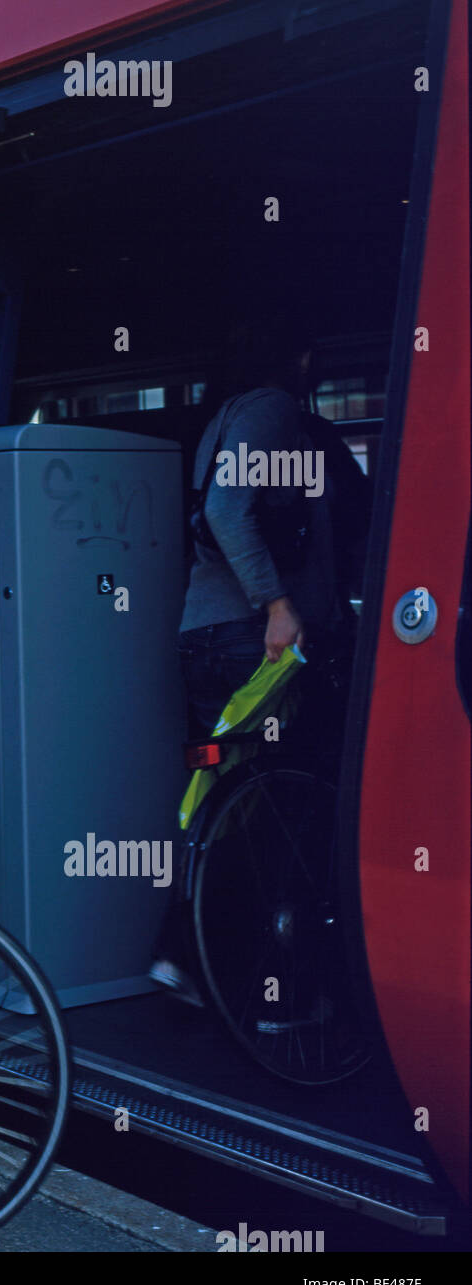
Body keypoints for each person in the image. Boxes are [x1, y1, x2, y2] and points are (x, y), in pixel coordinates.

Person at [151, 317, 368, 1003]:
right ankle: (272, 979)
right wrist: (276, 603)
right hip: (254, 641)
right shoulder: (273, 411)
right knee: (287, 803)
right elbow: (226, 510)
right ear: (301, 356)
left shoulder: (222, 418)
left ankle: (191, 958)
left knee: (227, 801)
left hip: (211, 637)